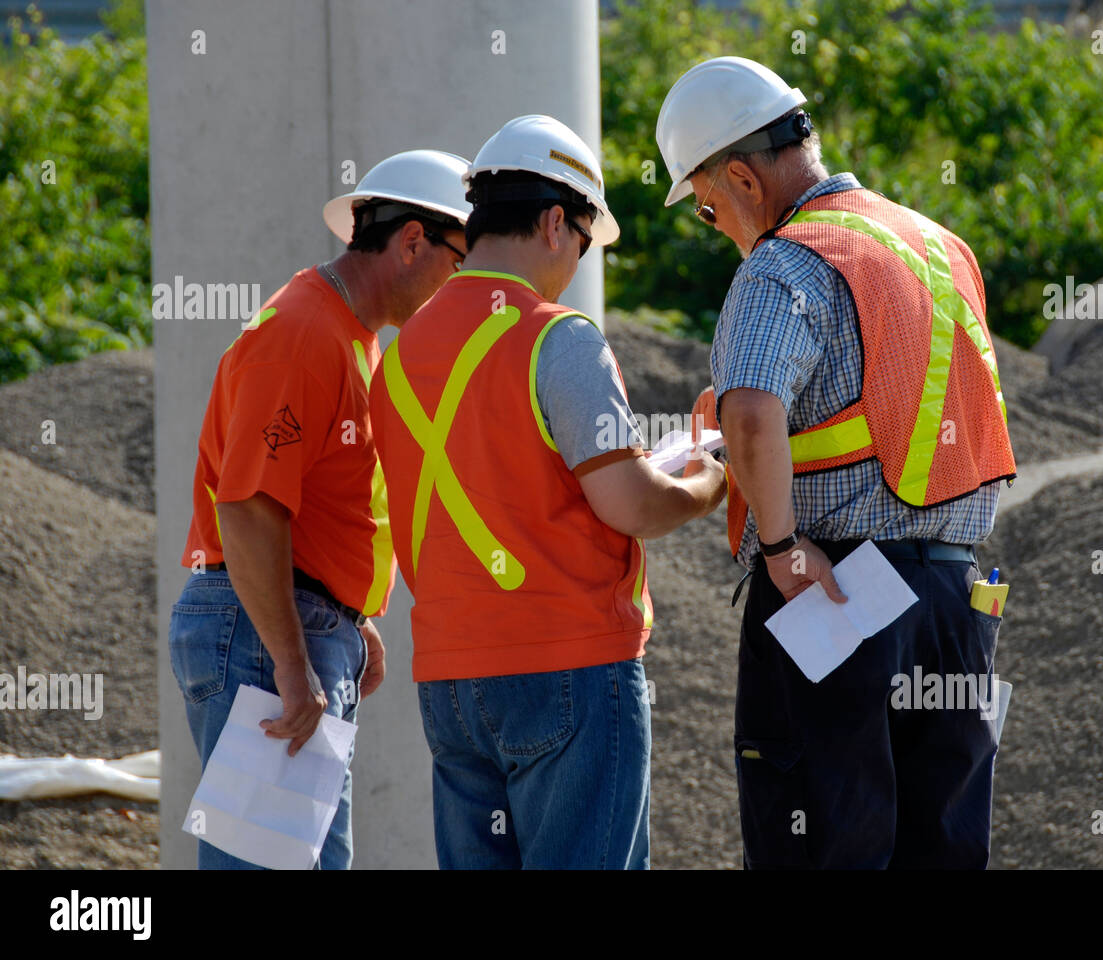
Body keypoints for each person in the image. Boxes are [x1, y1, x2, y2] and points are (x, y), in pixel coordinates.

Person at [657, 57, 1018, 869]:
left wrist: (782, 550)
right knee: (942, 849)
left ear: (744, 178)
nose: (717, 228)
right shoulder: (939, 246)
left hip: (840, 596)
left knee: (821, 842)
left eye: (709, 209)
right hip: (959, 605)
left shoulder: (786, 263)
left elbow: (752, 413)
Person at [369, 115, 727, 869]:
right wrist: (704, 484)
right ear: (556, 222)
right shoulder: (558, 337)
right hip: (566, 663)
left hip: (451, 682)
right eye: (587, 244)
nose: (578, 266)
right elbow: (629, 502)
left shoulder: (398, 359)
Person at [169, 149, 472, 869]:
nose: (460, 287)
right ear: (411, 243)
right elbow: (246, 509)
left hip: (283, 623)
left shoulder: (343, 335)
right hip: (263, 631)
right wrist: (291, 658)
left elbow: (307, 503)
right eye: (459, 260)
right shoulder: (306, 334)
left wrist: (346, 616)